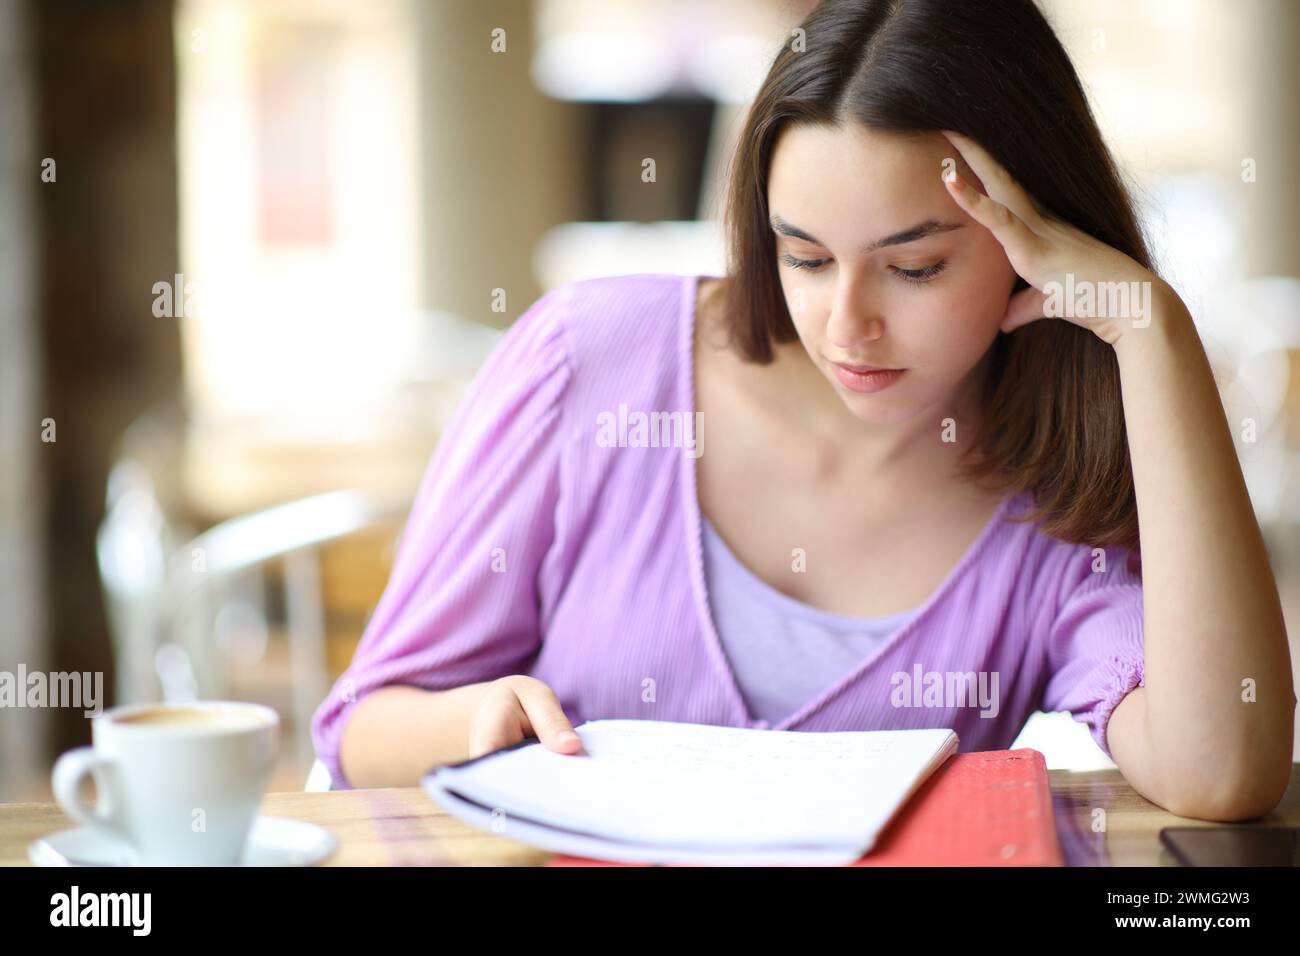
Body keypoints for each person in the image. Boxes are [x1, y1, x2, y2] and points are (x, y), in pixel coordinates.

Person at [312, 0, 1294, 820]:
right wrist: (474, 720)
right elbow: (360, 729)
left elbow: (1223, 769)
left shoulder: (1054, 497)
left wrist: (1150, 329)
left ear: (1038, 241)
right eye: (805, 257)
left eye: (913, 266)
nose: (846, 324)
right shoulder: (589, 361)